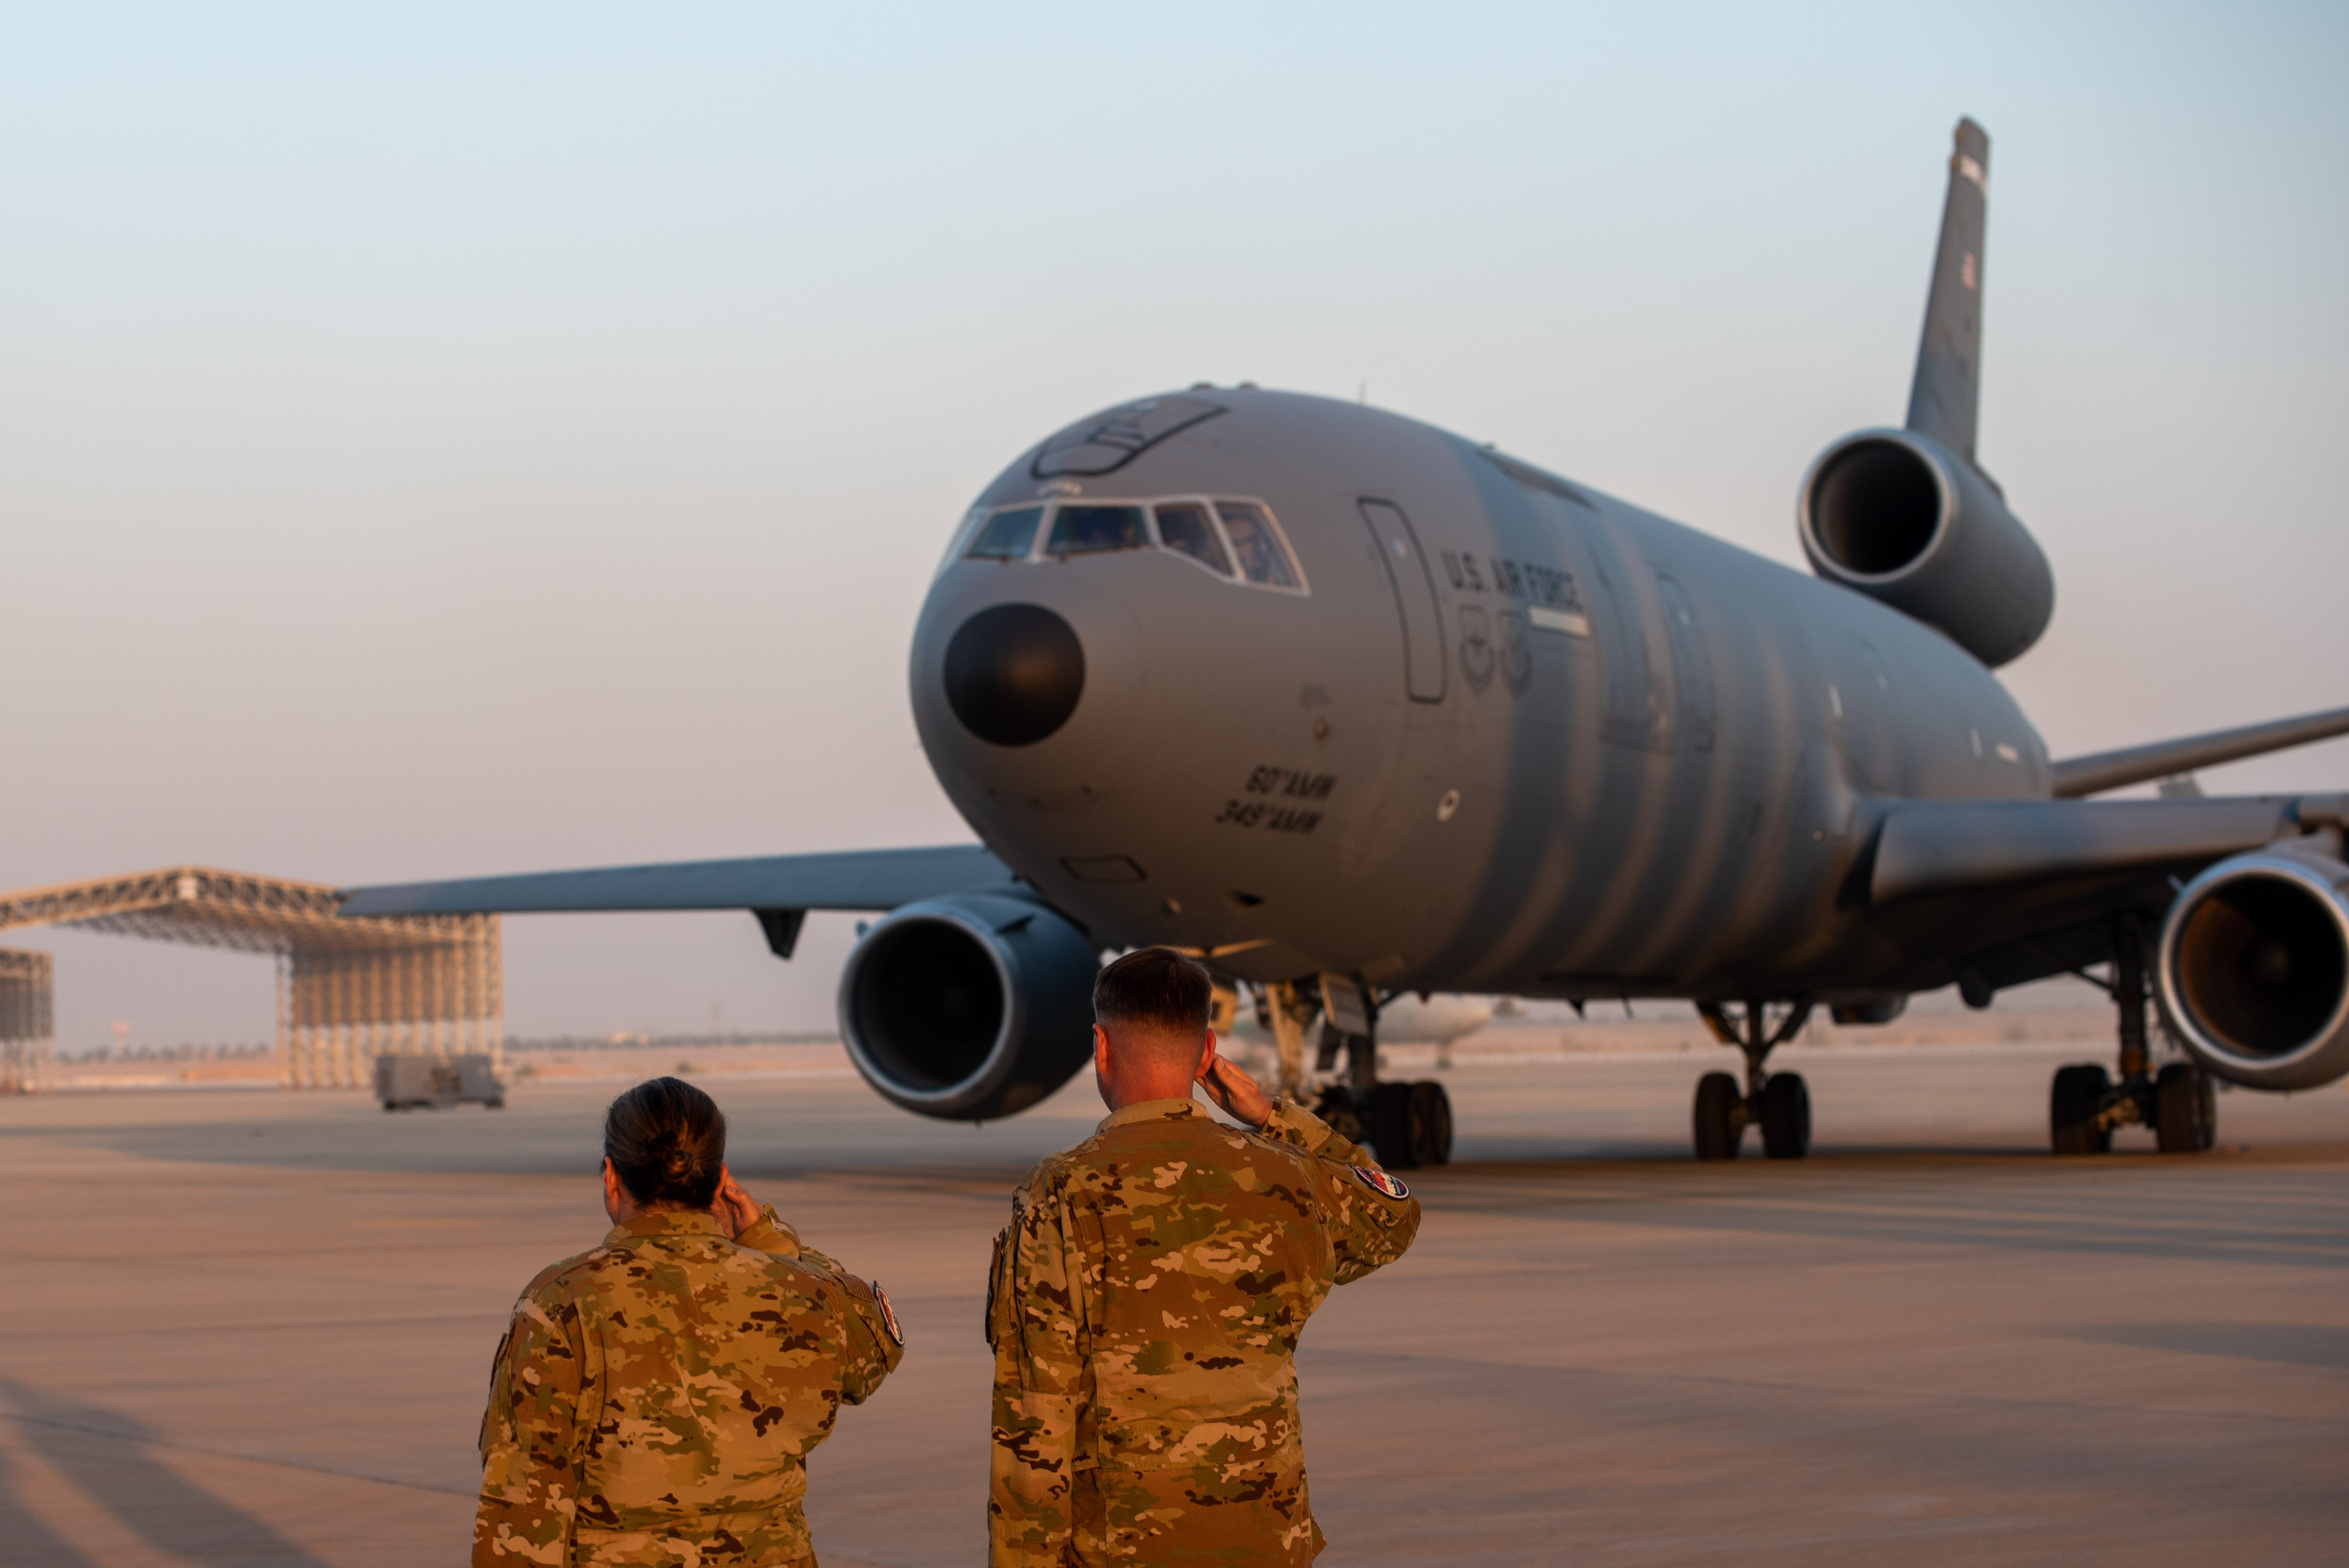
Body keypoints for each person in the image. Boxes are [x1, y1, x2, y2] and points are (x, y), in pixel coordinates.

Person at [987, 949, 1422, 1566]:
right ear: (1208, 1050)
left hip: (1126, 1544)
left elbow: (1035, 1409)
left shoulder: (1063, 1190)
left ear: (1101, 1047)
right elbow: (1393, 1212)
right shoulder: (1286, 1175)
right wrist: (1273, 1118)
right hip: (1265, 1535)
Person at [475, 1077, 903, 1567]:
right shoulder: (800, 1291)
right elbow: (874, 1347)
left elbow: (525, 1503)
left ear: (612, 1178)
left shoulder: (560, 1301)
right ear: (720, 1180)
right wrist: (775, 1244)